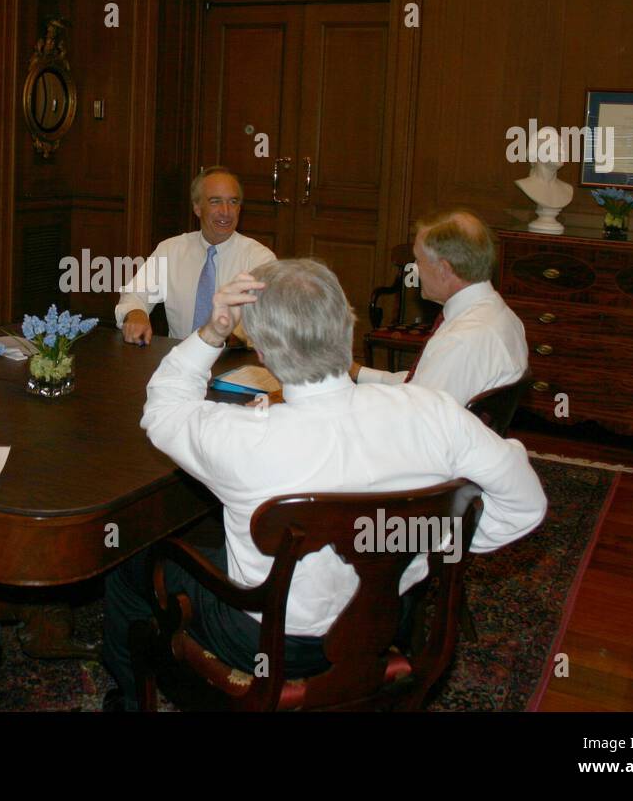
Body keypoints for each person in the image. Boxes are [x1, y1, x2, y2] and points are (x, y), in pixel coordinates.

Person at [102, 259, 547, 709]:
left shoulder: (242, 437)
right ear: (347, 323)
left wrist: (213, 333)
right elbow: (525, 502)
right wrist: (441, 546)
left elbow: (162, 410)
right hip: (389, 618)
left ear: (259, 349)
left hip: (268, 644)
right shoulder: (436, 412)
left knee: (131, 563)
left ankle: (130, 702)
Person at [351, 209, 528, 406]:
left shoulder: (461, 340)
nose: (414, 271)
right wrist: (359, 373)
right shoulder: (502, 316)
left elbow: (419, 418)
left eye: (418, 261)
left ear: (444, 269)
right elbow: (423, 382)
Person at [115, 166, 275, 344]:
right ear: (197, 208)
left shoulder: (259, 259)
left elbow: (268, 322)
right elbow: (135, 294)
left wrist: (234, 336)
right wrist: (136, 314)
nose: (226, 211)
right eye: (215, 201)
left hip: (233, 362)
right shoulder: (171, 250)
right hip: (178, 361)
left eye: (233, 202)